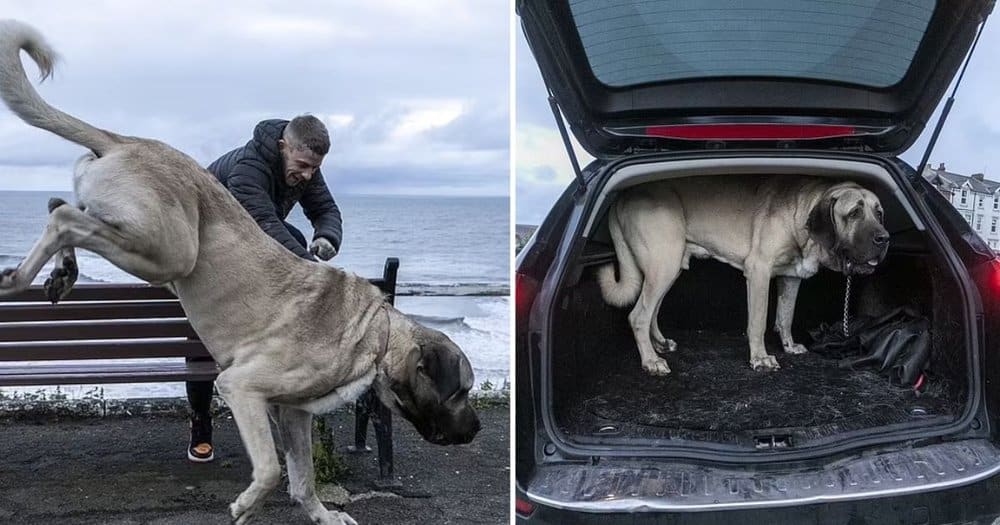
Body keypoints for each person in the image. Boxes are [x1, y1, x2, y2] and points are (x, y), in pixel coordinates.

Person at [184, 115, 343, 462]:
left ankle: (279, 410)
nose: (308, 175)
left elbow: (325, 208)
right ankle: (200, 423)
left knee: (296, 247)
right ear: (283, 147)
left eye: (315, 168)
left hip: (246, 249)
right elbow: (264, 225)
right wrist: (312, 271)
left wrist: (327, 236)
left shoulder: (305, 165)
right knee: (202, 342)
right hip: (205, 251)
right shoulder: (247, 169)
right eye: (303, 166)